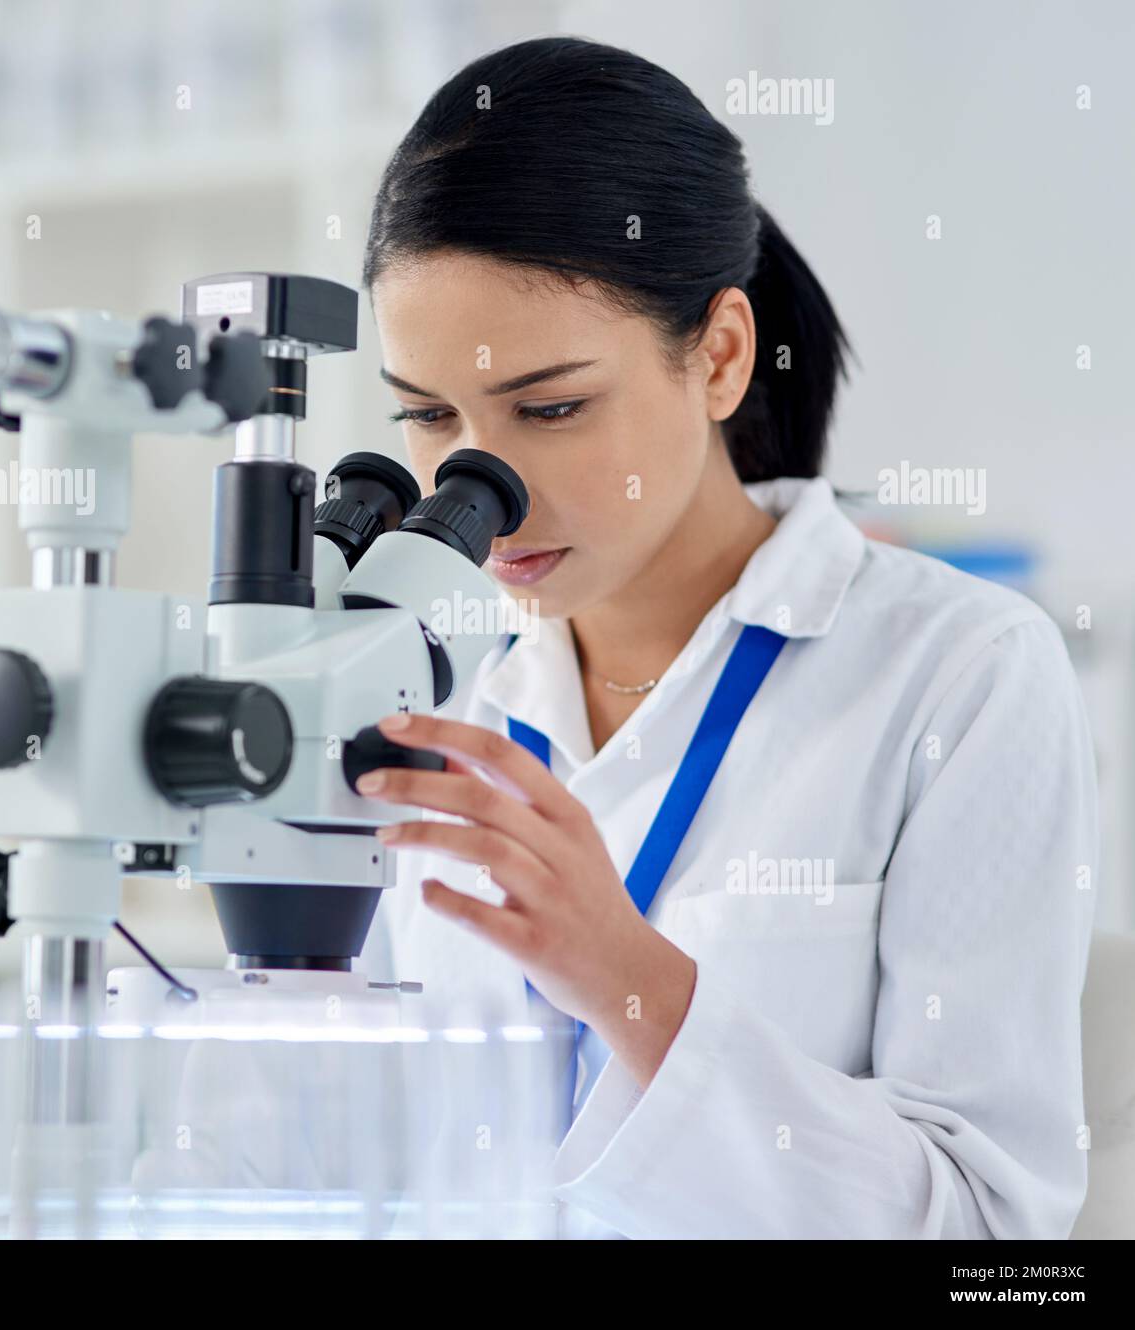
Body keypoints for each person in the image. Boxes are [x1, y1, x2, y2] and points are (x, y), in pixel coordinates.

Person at [353, 36, 1097, 1239]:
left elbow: (991, 1235)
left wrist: (625, 975)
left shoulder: (956, 677)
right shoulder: (452, 716)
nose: (479, 484)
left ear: (720, 354)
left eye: (551, 408)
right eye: (429, 415)